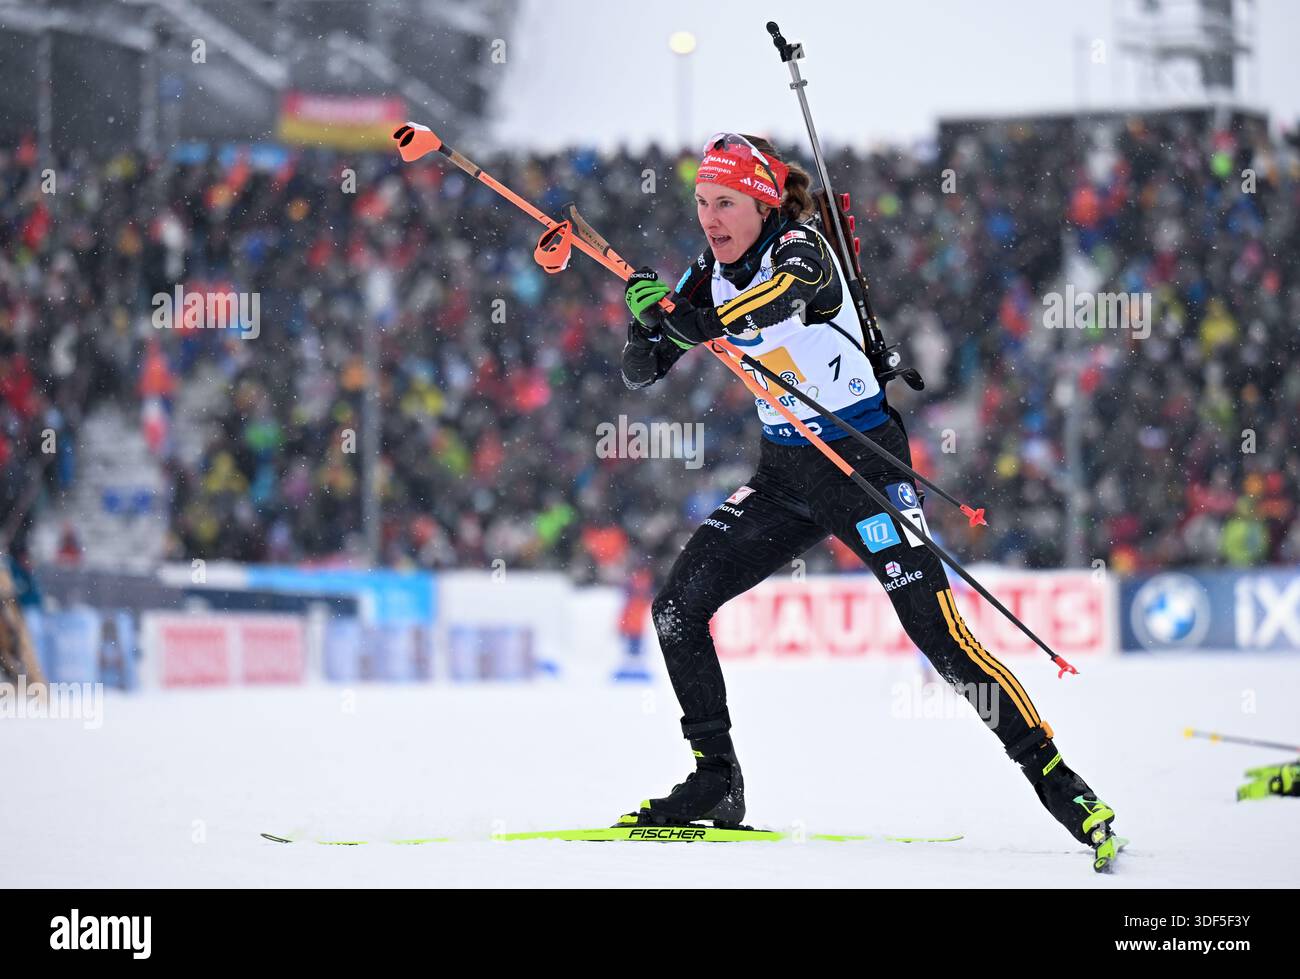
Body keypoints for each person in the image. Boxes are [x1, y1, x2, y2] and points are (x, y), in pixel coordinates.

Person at [617, 132, 1117, 853]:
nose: (711, 218)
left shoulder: (802, 248)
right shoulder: (707, 273)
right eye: (701, 203)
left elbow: (778, 299)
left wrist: (698, 320)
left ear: (761, 202)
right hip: (784, 476)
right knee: (675, 608)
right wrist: (649, 319)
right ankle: (715, 778)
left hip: (864, 469)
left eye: (726, 202)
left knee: (939, 637)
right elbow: (644, 370)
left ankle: (1058, 780)